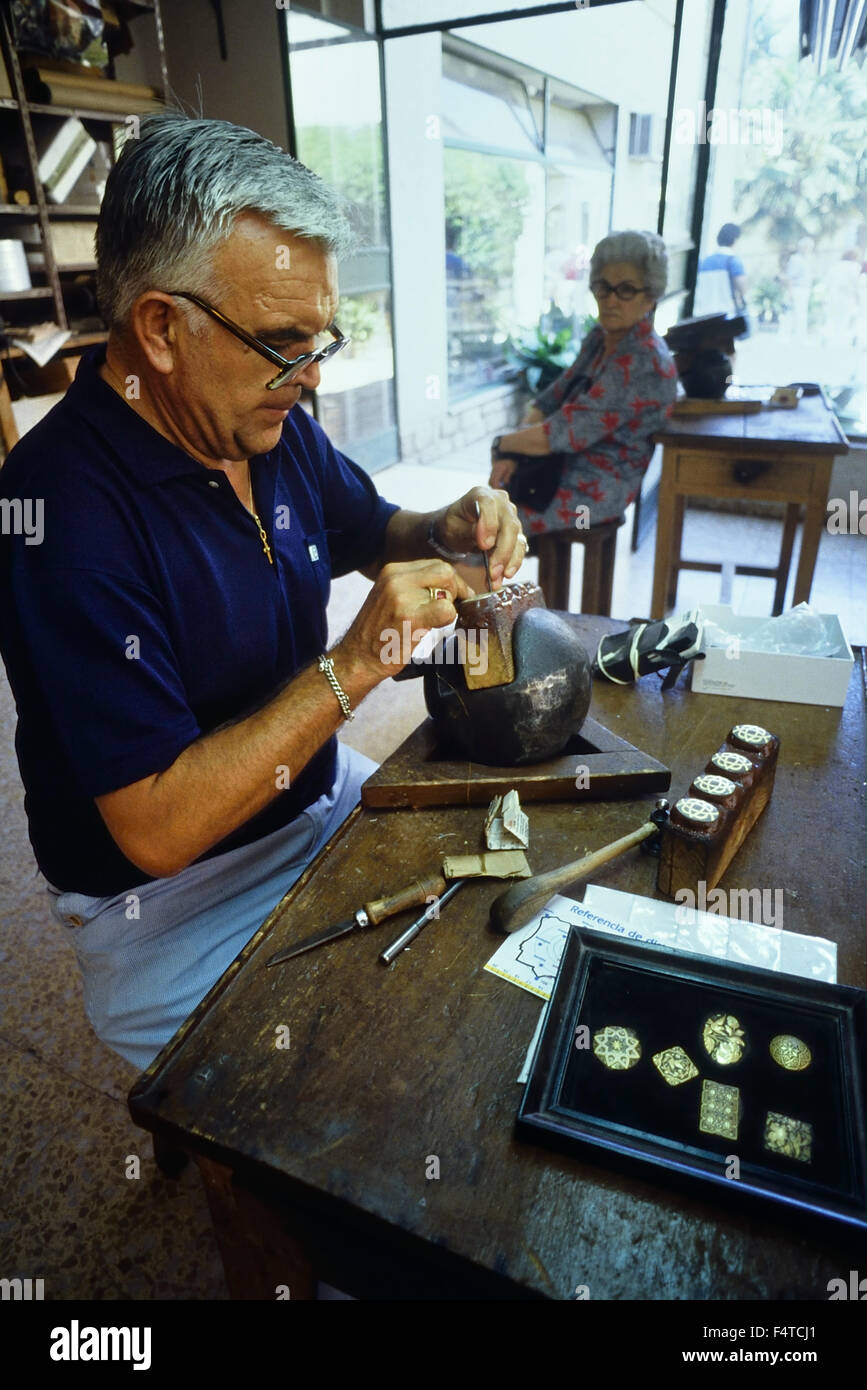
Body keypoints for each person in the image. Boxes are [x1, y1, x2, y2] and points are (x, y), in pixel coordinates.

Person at [0, 113, 525, 1072]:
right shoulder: (57, 514)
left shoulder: (260, 420)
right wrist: (356, 664)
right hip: (168, 903)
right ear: (161, 327)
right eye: (285, 341)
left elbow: (372, 532)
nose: (312, 376)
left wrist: (442, 527)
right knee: (379, 1085)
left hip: (314, 800)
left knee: (497, 918)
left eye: (323, 337)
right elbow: (157, 831)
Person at [488, 229, 678, 536]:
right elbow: (550, 400)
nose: (611, 300)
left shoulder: (645, 361)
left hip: (593, 500)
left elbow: (563, 432)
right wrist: (513, 453)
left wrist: (503, 444)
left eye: (626, 290)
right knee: (482, 517)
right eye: (603, 287)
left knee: (489, 533)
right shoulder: (600, 339)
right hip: (559, 471)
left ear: (650, 298)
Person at [695, 222, 748, 320]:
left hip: (702, 317)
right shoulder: (733, 261)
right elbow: (743, 289)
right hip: (726, 318)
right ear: (735, 240)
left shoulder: (704, 262)